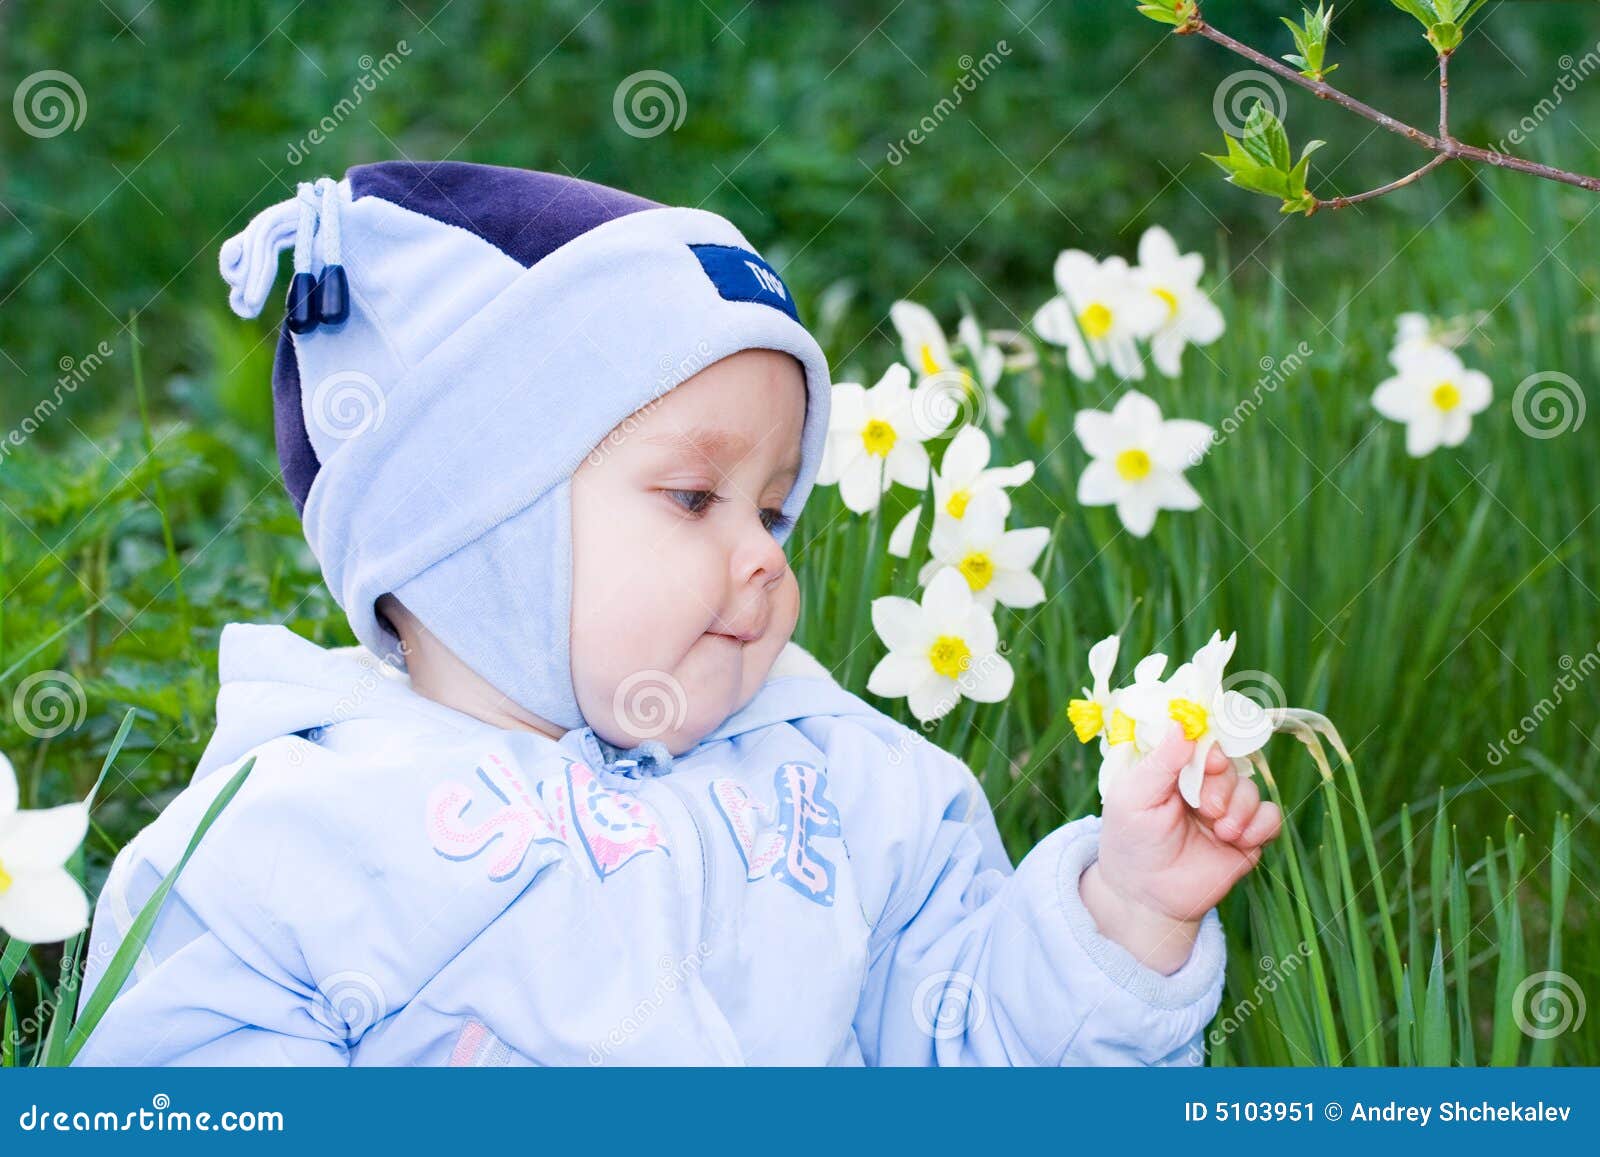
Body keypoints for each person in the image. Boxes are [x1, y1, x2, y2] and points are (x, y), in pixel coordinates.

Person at [73, 160, 1279, 1066]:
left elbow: (975, 1061)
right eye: (695, 496)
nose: (759, 558)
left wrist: (1123, 916)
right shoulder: (296, 834)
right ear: (470, 531)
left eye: (771, 508)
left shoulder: (857, 791)